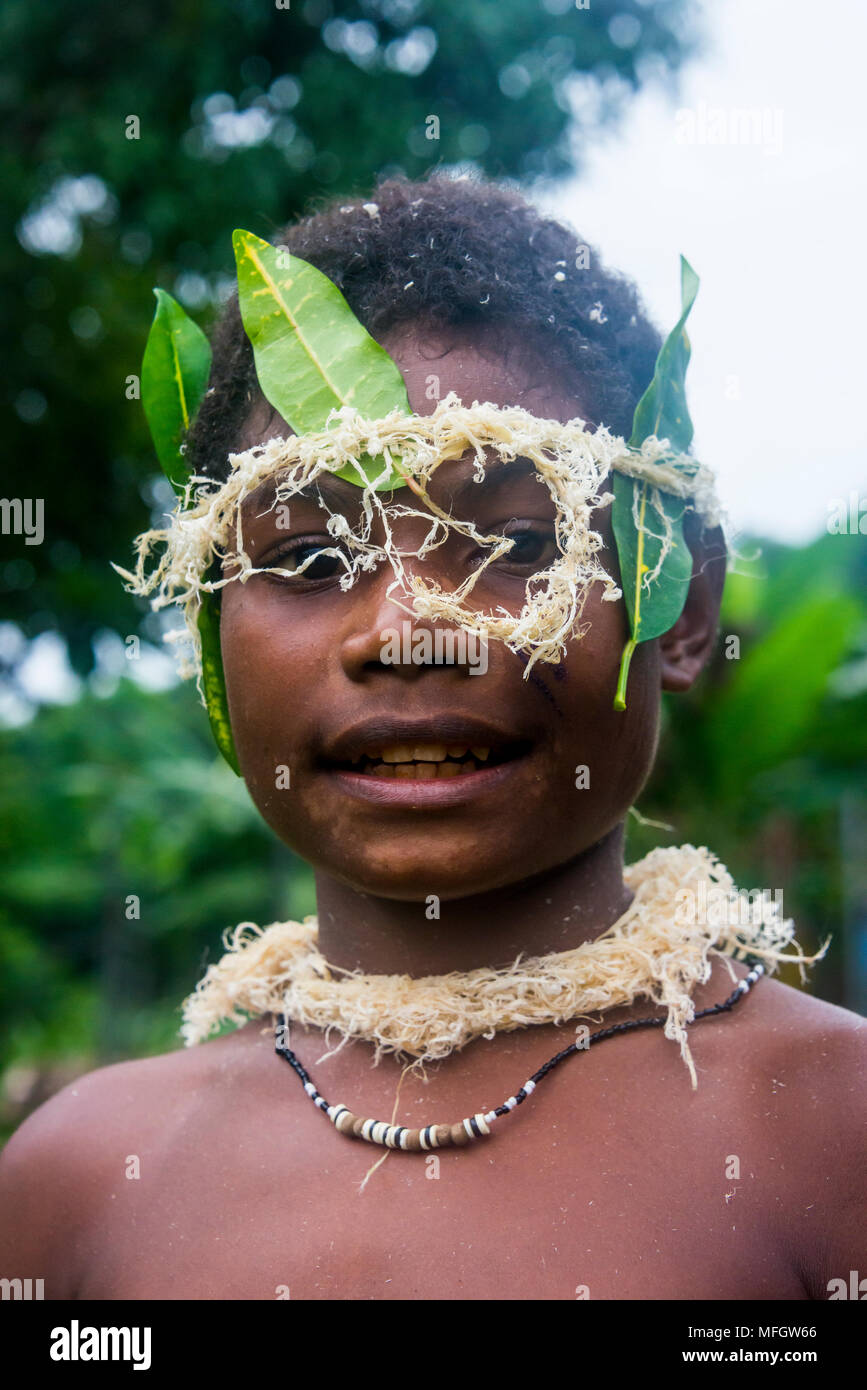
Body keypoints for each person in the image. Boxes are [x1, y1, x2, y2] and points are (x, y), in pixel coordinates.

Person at [0, 174, 863, 1301]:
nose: (407, 632)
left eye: (511, 543)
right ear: (207, 628)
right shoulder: (76, 1185)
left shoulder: (832, 1135)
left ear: (680, 607)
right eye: (309, 561)